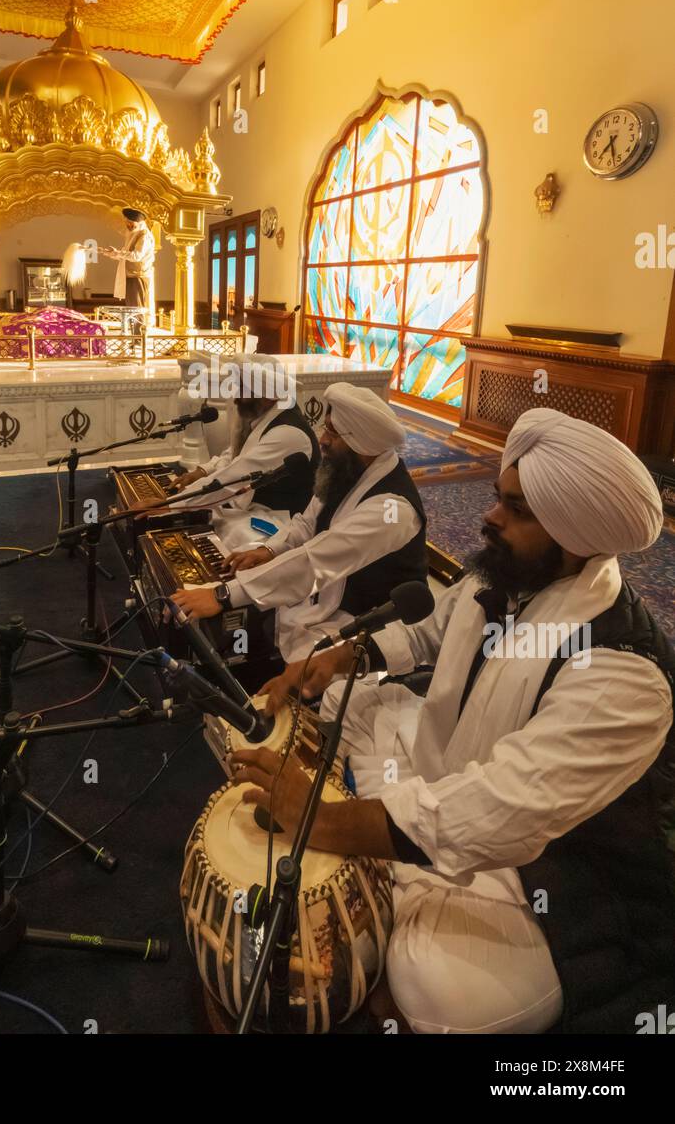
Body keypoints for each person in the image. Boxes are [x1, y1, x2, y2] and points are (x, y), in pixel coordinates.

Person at [232, 408, 675, 1034]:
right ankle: (400, 859)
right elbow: (430, 633)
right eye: (499, 497)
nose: (490, 518)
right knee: (345, 701)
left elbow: (503, 808)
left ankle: (393, 856)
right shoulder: (504, 576)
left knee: (437, 988)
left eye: (517, 510)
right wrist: (339, 657)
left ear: (576, 536)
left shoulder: (624, 676)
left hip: (544, 872)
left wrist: (324, 820)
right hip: (451, 768)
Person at [171, 382, 429, 664]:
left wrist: (222, 596)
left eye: (333, 432)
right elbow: (307, 524)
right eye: (326, 428)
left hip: (371, 625)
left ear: (362, 444)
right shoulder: (347, 472)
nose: (323, 440)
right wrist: (268, 551)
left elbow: (317, 559)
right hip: (325, 597)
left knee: (303, 665)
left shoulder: (392, 510)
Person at [127, 355, 321, 546]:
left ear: (268, 395)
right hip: (254, 508)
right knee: (207, 517)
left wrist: (169, 505)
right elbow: (238, 453)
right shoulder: (269, 415)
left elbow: (234, 478)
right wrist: (204, 470)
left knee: (232, 533)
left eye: (243, 389)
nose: (236, 398)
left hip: (278, 520)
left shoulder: (287, 433)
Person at [99, 207, 155, 322]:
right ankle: (134, 338)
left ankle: (139, 338)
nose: (128, 225)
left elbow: (136, 256)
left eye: (130, 223)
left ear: (139, 222)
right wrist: (107, 252)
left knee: (136, 310)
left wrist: (118, 252)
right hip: (130, 277)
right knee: (131, 310)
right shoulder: (133, 234)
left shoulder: (144, 236)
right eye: (127, 222)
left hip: (138, 277)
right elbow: (125, 256)